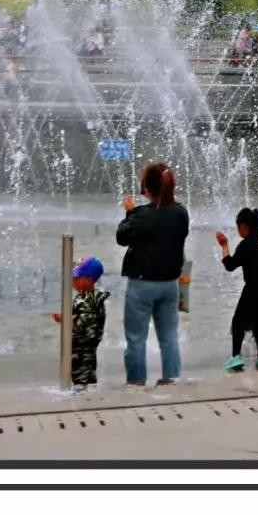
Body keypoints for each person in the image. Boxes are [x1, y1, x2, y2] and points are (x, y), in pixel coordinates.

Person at [115, 163, 190, 386]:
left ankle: (137, 381)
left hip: (142, 284)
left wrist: (129, 212)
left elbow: (122, 237)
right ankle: (172, 378)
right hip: (170, 284)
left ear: (147, 189)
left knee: (136, 338)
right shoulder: (181, 213)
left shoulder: (141, 215)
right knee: (169, 338)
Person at [216, 207, 258, 373]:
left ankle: (236, 356)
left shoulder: (245, 244)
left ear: (244, 227)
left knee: (238, 322)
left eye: (238, 228)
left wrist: (224, 245)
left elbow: (230, 265)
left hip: (253, 288)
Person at [50, 256, 108, 388]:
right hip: (86, 345)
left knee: (80, 374)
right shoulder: (88, 296)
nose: (73, 281)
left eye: (76, 278)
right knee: (88, 371)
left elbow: (83, 324)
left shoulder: (89, 300)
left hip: (83, 345)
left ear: (89, 280)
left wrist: (64, 319)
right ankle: (87, 391)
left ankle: (81, 394)